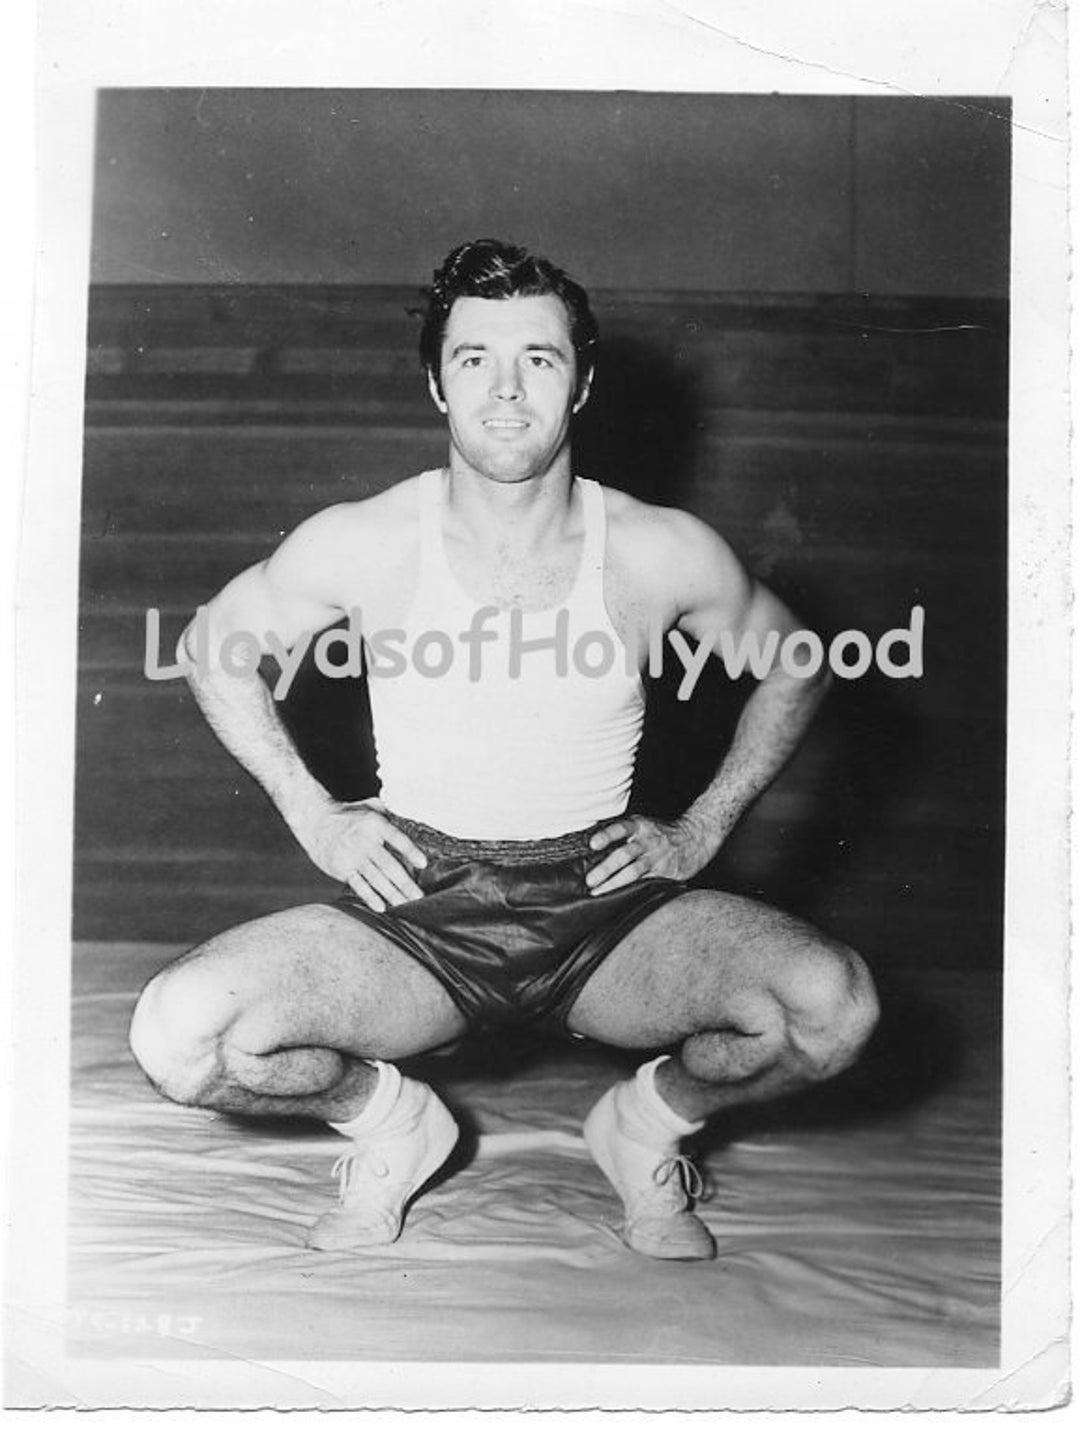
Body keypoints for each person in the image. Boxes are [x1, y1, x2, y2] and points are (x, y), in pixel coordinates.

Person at [129, 238, 879, 1262]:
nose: (508, 386)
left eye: (540, 356)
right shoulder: (370, 538)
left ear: (584, 382)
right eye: (475, 357)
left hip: (608, 908)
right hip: (419, 910)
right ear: (437, 382)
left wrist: (703, 823)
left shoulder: (660, 549)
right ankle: (392, 1122)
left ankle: (647, 1124)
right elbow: (213, 648)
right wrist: (312, 809)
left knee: (830, 1009)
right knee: (182, 1035)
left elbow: (799, 661)